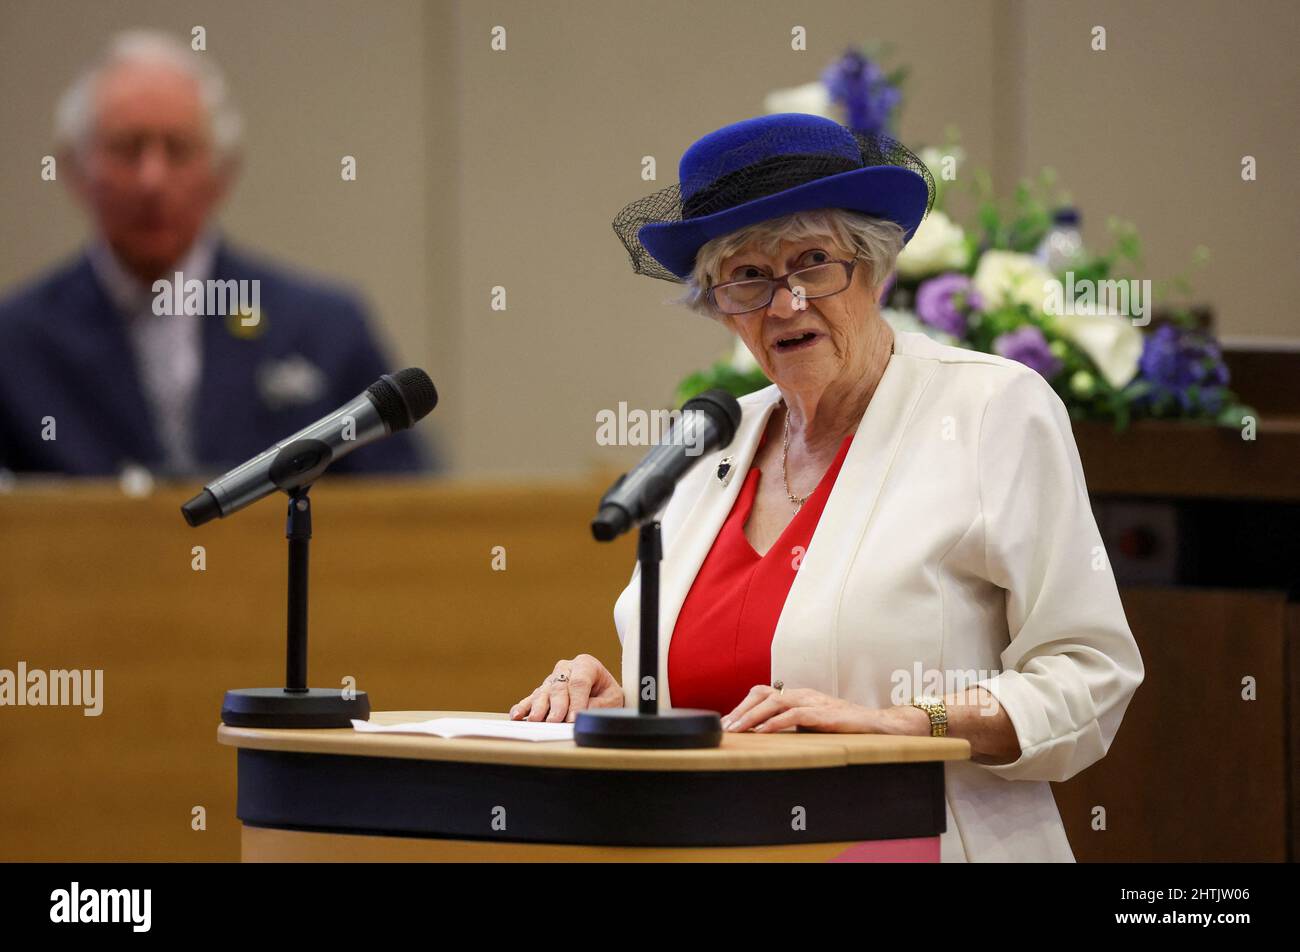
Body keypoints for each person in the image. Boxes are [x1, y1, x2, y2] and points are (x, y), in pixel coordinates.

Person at [511, 113, 1144, 862]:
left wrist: (912, 723)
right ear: (719, 305)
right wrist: (620, 706)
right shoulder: (710, 443)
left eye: (812, 262)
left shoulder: (990, 409)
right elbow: (723, 711)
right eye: (747, 276)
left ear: (873, 267)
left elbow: (1090, 675)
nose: (785, 304)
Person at [0, 30, 427, 477]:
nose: (153, 180)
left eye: (177, 149)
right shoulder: (15, 344)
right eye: (127, 149)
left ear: (221, 174)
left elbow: (406, 515)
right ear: (74, 170)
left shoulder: (323, 330)